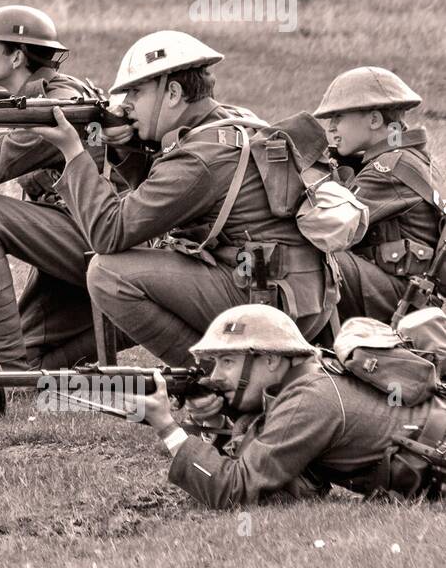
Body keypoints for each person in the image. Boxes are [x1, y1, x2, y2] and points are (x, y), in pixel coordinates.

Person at [29, 30, 333, 366]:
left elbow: (108, 233)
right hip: (300, 293)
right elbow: (164, 191)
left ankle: (216, 380)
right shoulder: (230, 120)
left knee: (108, 274)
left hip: (266, 301)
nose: (125, 104)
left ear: (172, 92)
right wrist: (124, 145)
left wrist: (73, 152)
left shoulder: (199, 158)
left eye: (136, 92)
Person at [0, 6, 138, 369]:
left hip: (103, 238)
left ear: (17, 56)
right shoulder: (47, 95)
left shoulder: (54, 106)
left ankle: (7, 377)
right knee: (29, 352)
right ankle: (24, 372)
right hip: (85, 234)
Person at [128, 304, 446, 507]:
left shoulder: (310, 399)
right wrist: (220, 420)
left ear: (270, 360)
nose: (216, 376)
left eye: (227, 361)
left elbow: (233, 489)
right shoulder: (310, 376)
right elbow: (296, 483)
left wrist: (167, 428)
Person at [315, 67, 443, 322]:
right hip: (413, 290)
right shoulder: (415, 158)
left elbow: (329, 225)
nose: (331, 128)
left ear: (374, 120)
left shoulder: (389, 169)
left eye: (338, 117)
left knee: (314, 258)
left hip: (408, 298)